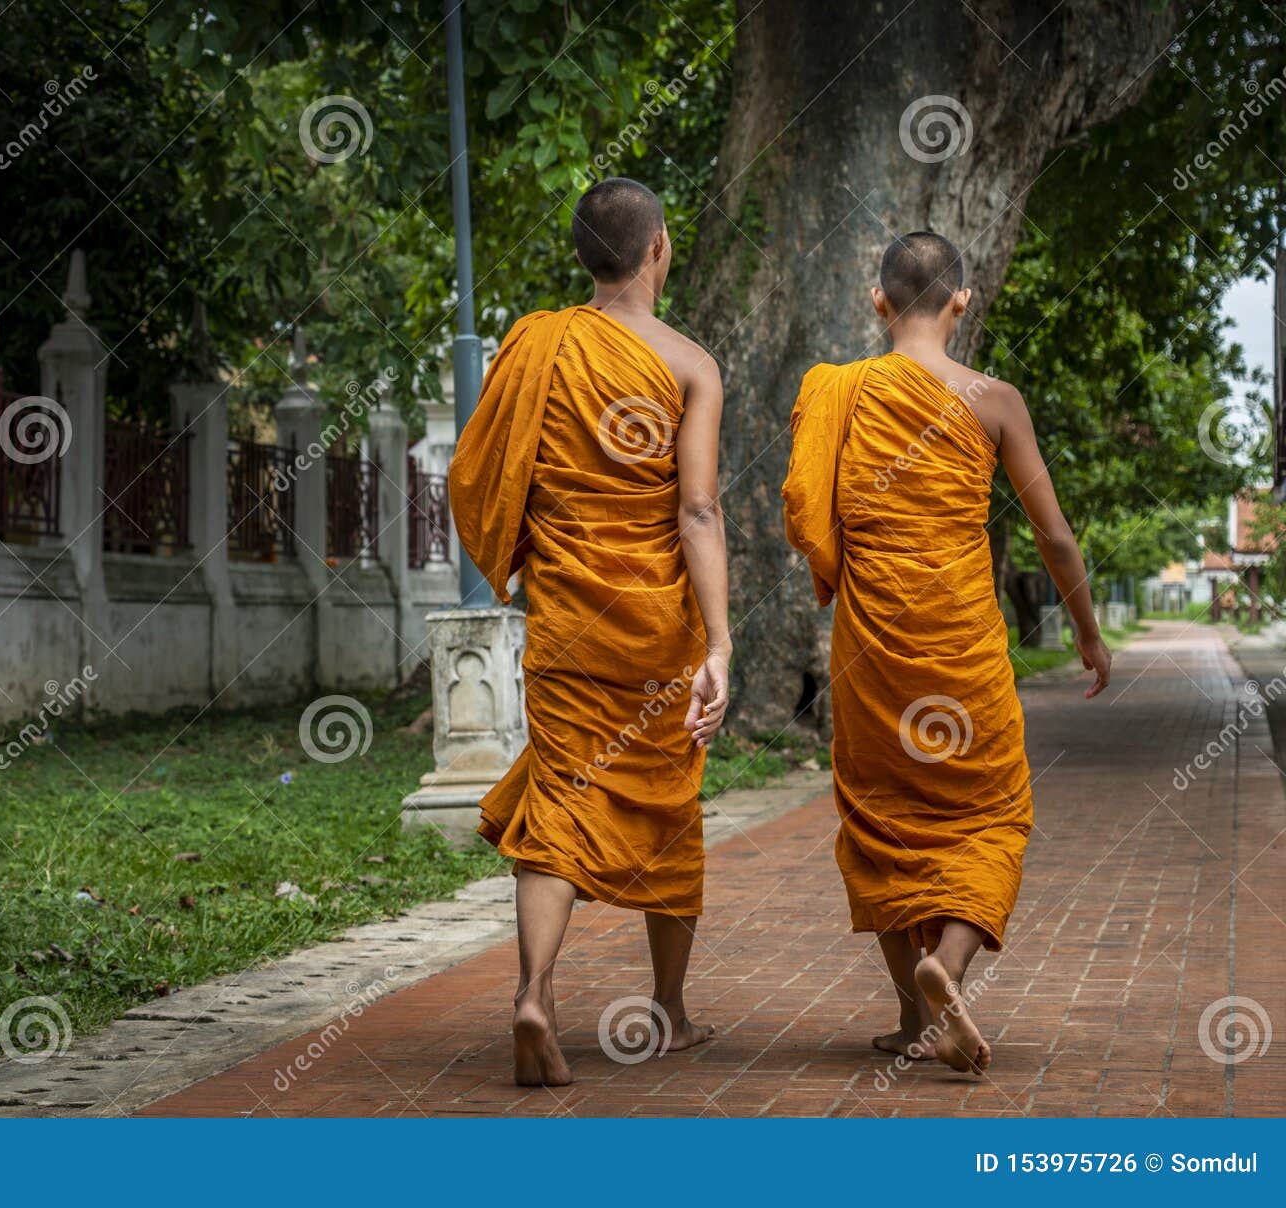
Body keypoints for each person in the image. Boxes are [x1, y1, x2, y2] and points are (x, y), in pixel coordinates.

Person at [782, 231, 1110, 1074]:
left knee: (881, 818)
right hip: (961, 641)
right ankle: (949, 965)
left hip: (873, 645)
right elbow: (1056, 537)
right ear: (961, 300)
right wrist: (1086, 631)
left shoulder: (840, 390)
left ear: (879, 302)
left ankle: (910, 1015)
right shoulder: (995, 400)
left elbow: (811, 519)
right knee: (994, 812)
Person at [449, 177, 731, 1087]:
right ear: (659, 250)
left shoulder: (537, 345)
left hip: (567, 616)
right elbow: (697, 511)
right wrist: (719, 643)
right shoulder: (691, 365)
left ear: (586, 257)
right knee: (669, 800)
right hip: (655, 625)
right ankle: (670, 1012)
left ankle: (535, 991)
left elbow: (486, 474)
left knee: (561, 798)